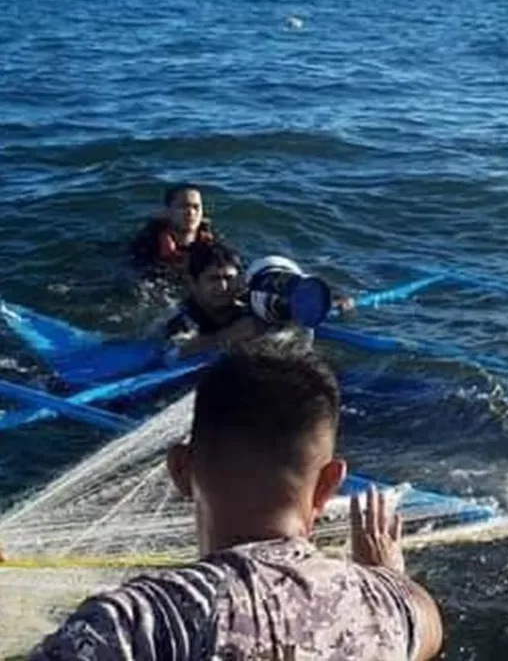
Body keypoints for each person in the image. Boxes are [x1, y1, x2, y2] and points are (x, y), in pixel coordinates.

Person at [29, 343, 443, 661]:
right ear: (329, 485)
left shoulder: (138, 623)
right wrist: (388, 575)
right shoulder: (387, 607)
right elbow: (427, 619)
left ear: (179, 469)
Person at [156, 241, 264, 359]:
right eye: (213, 279)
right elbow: (173, 355)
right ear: (192, 283)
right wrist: (230, 335)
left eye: (229, 278)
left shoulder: (251, 308)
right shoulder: (182, 319)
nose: (222, 287)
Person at [129, 183, 218, 278]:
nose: (191, 212)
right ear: (167, 212)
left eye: (196, 207)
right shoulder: (147, 245)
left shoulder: (212, 244)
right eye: (183, 207)